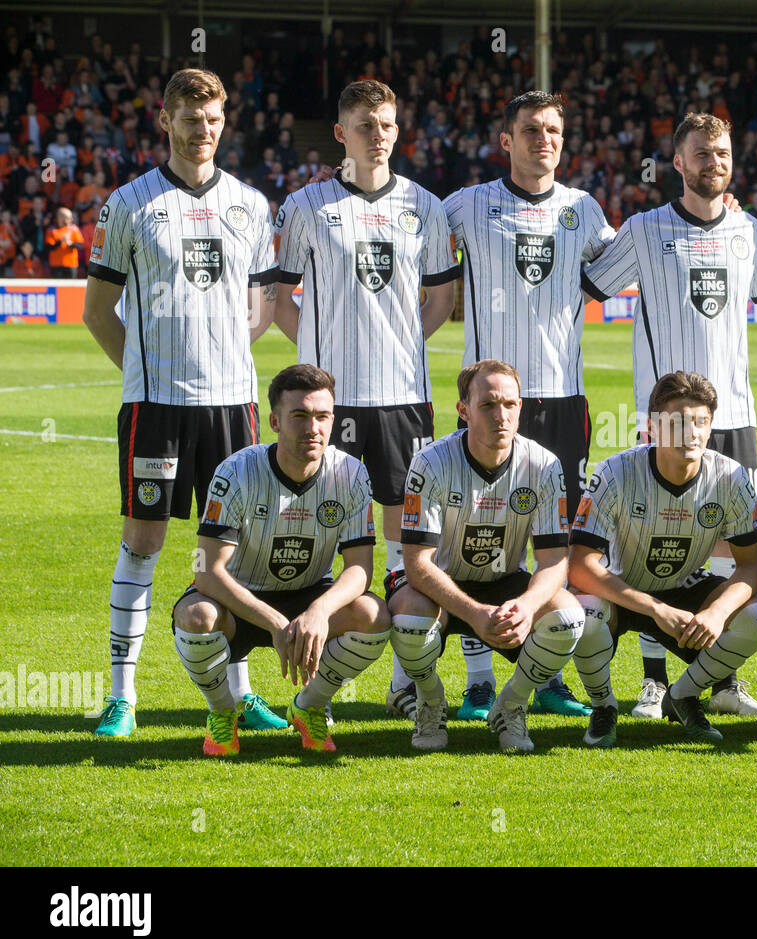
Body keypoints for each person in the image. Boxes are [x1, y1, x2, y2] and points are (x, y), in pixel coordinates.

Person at [82, 68, 279, 738]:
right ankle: (122, 696)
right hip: (155, 408)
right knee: (145, 542)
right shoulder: (129, 203)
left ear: (226, 121)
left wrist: (222, 349)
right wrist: (145, 372)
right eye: (191, 119)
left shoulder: (251, 204)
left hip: (233, 408)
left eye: (215, 119)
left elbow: (262, 305)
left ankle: (241, 690)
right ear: (166, 119)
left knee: (241, 551)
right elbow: (97, 311)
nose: (204, 131)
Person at [581, 112, 757, 720]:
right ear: (677, 162)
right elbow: (591, 285)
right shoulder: (645, 229)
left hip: (734, 413)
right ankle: (652, 681)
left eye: (722, 152)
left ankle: (720, 679)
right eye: (700, 153)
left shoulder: (749, 230)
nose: (713, 162)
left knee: (730, 552)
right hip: (668, 417)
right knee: (656, 543)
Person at [273, 79, 457, 724]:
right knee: (326, 534)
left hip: (404, 398)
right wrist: (319, 363)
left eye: (384, 123)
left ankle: (408, 679)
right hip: (332, 403)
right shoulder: (306, 205)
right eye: (362, 123)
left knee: (407, 539)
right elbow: (277, 297)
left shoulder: (426, 207)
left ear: (397, 131)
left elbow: (439, 299)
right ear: (340, 132)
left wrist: (400, 342)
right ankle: (317, 671)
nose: (375, 133)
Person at [440, 90, 615, 722]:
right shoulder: (465, 206)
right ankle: (480, 679)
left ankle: (545, 673)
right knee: (474, 533)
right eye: (531, 130)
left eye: (553, 131)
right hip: (487, 399)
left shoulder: (584, 210)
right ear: (506, 140)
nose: (544, 139)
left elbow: (626, 261)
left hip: (562, 399)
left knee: (551, 537)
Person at [172, 364, 391, 754]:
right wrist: (274, 622)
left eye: (323, 416)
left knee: (373, 614)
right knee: (196, 617)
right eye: (300, 416)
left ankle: (309, 707)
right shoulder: (236, 472)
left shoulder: (351, 474)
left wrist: (319, 612)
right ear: (274, 421)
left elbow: (360, 568)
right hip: (239, 600)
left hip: (308, 596)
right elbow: (207, 572)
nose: (313, 428)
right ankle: (222, 712)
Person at [385, 360, 586, 752]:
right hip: (435, 580)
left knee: (568, 616)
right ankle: (429, 700)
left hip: (503, 579)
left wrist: (527, 606)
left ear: (521, 407)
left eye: (510, 405)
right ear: (464, 411)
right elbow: (417, 563)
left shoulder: (543, 465)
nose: (502, 416)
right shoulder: (431, 462)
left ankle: (510, 705)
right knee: (409, 615)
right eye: (488, 405)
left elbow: (552, 561)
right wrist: (474, 613)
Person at [568, 372, 757, 747]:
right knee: (583, 611)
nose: (691, 433)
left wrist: (714, 614)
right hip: (621, 586)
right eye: (678, 422)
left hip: (684, 584)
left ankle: (682, 695)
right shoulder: (615, 472)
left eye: (701, 422)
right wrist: (655, 609)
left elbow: (749, 568)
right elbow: (581, 566)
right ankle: (603, 706)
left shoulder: (731, 477)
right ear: (652, 426)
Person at [44, 206, 83, 277]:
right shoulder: (51, 230)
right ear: (60, 218)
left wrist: (70, 243)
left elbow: (80, 245)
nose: (71, 220)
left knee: (71, 287)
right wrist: (60, 242)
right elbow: (49, 247)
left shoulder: (74, 229)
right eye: (68, 218)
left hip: (71, 264)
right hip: (56, 265)